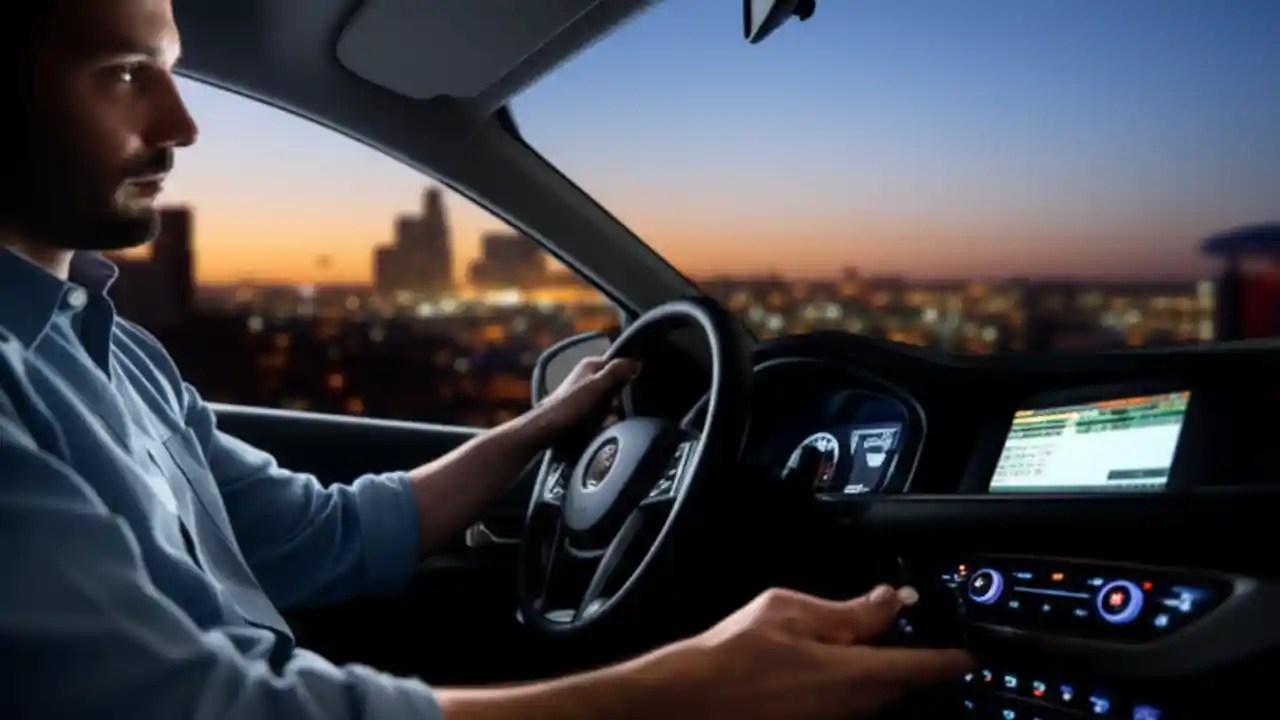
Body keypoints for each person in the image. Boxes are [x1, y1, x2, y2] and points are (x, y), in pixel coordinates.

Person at [0, 0, 973, 717]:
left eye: (172, 71)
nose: (182, 123)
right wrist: (700, 685)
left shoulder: (118, 354)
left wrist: (545, 428)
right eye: (128, 73)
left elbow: (326, 535)